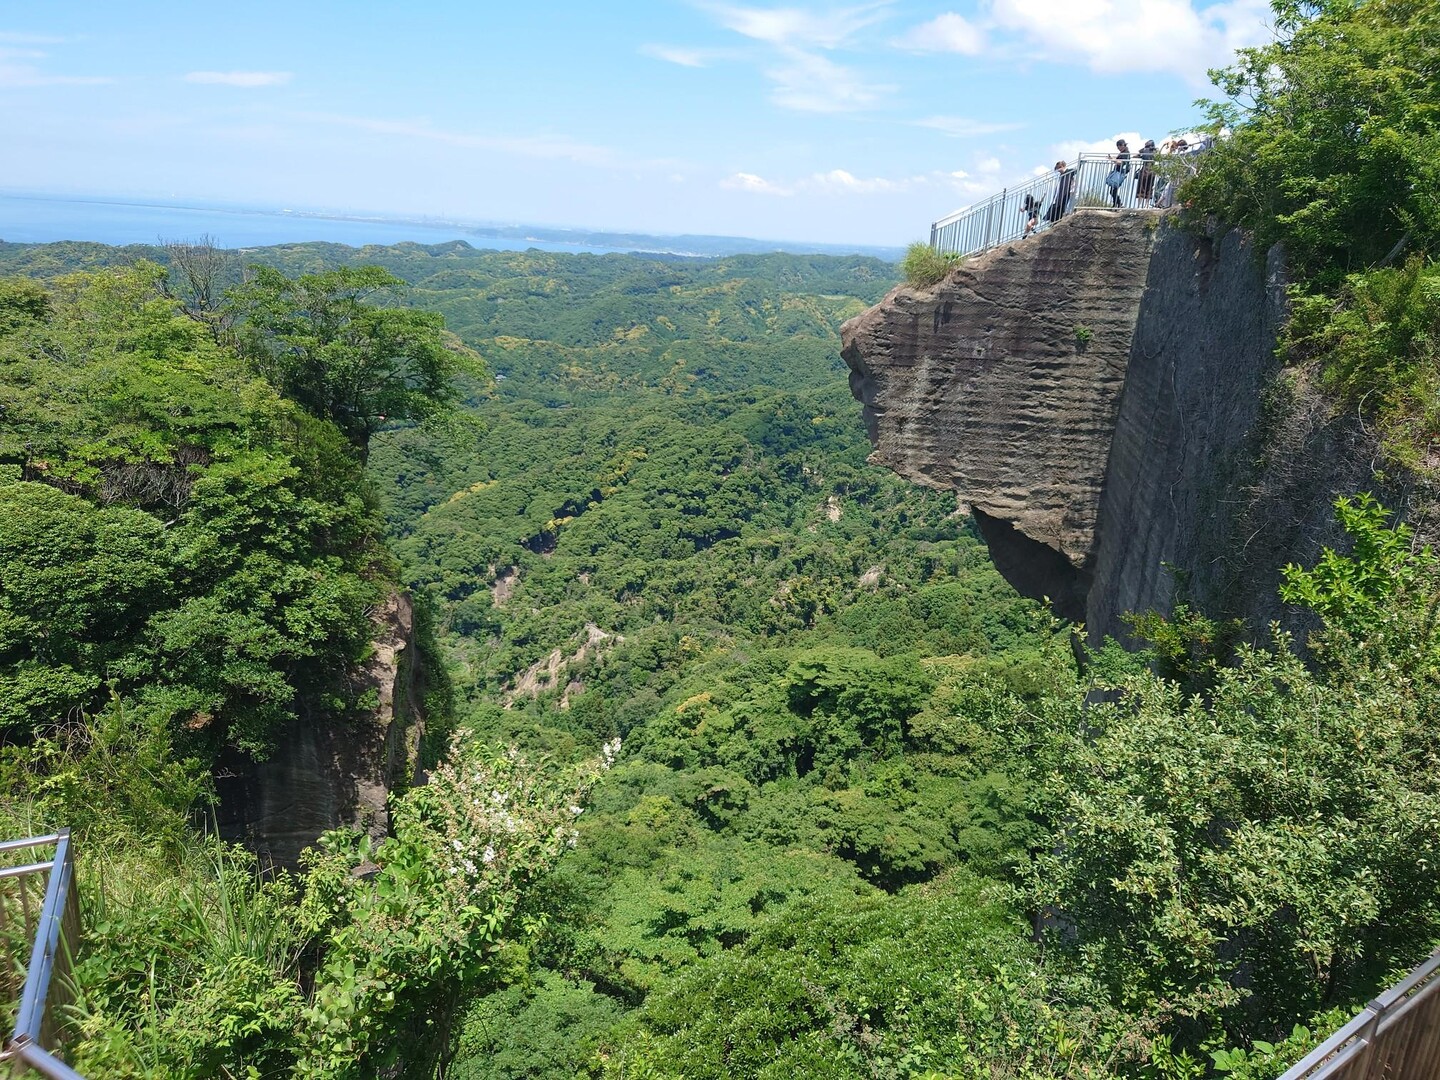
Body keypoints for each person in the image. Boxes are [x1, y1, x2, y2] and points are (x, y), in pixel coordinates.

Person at [1106, 138, 1131, 208]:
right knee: (1113, 190)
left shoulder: (1126, 153)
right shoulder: (1124, 152)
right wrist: (1112, 158)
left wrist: (1112, 159)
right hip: (1118, 172)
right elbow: (1118, 159)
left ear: (1122, 146)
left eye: (1119, 147)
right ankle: (1116, 204)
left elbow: (1121, 162)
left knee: (1113, 190)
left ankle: (1118, 204)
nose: (1118, 149)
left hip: (1120, 173)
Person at [1134, 138, 1157, 207]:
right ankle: (1146, 205)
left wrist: (1140, 157)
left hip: (1144, 170)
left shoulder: (1143, 150)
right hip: (1152, 171)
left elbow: (1136, 155)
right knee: (1149, 188)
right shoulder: (1155, 151)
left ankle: (1139, 205)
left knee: (1141, 188)